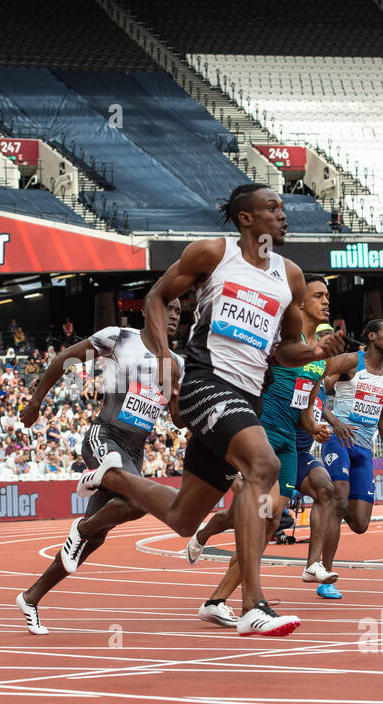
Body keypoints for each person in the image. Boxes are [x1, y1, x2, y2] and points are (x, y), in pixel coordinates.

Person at [75, 184, 342, 637]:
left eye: (283, 208)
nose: (283, 215)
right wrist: (163, 358)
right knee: (264, 465)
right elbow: (156, 298)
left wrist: (315, 348)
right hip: (204, 383)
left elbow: (286, 351)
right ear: (245, 219)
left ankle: (113, 476)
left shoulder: (290, 276)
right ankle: (253, 604)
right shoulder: (213, 254)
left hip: (247, 396)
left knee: (183, 517)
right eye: (272, 208)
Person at [15, 299, 184, 634]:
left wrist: (184, 396)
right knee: (138, 502)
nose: (175, 316)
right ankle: (90, 501)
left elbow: (177, 420)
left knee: (96, 537)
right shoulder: (119, 338)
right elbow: (63, 360)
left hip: (133, 453)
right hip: (104, 437)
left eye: (180, 312)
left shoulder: (177, 364)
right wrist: (35, 402)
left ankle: (31, 597)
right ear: (149, 311)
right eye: (169, 308)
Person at [185, 287, 346, 612]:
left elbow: (306, 402)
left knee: (269, 519)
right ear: (301, 303)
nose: (326, 301)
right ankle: (224, 601)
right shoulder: (283, 340)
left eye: (327, 295)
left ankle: (218, 595)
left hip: (290, 442)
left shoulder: (321, 356)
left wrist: (314, 426)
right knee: (261, 518)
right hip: (262, 434)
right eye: (318, 295)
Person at [313, 319, 383, 597]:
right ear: (372, 336)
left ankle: (326, 506)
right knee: (339, 499)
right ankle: (326, 577)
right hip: (338, 439)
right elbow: (314, 386)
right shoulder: (350, 361)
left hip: (363, 450)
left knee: (360, 523)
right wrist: (333, 420)